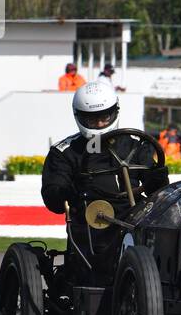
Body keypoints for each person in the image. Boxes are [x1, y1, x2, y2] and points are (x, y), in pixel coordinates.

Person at [42, 80, 168, 281]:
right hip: (92, 221)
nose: (99, 124)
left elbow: (158, 192)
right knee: (97, 233)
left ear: (114, 112)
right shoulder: (65, 152)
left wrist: (158, 177)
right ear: (79, 116)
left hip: (134, 217)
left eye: (104, 117)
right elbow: (53, 198)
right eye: (92, 120)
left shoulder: (135, 147)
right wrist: (69, 191)